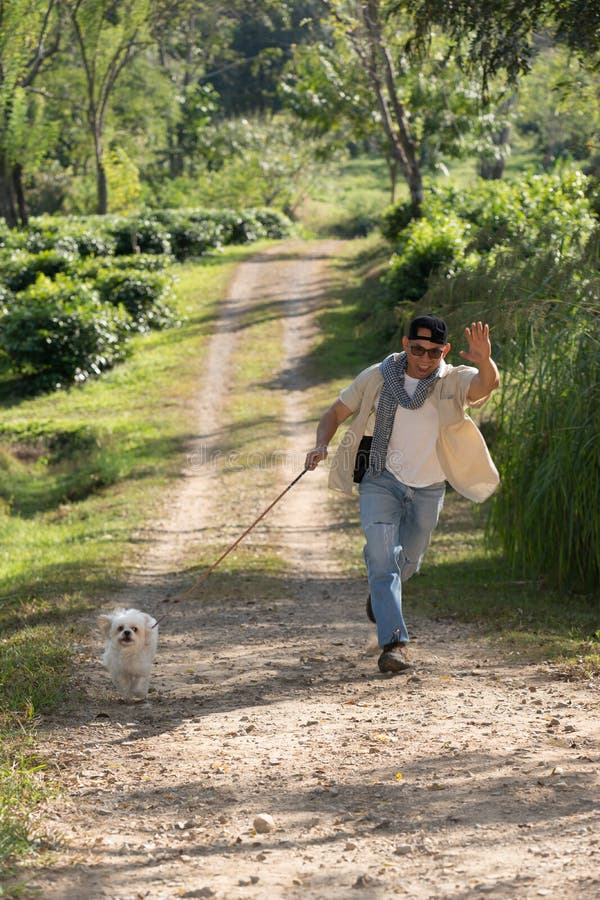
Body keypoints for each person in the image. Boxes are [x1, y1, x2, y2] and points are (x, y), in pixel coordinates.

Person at [304, 314, 500, 674]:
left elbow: (487, 385)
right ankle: (394, 644)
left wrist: (484, 359)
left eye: (434, 352)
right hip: (381, 478)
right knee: (381, 555)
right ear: (405, 344)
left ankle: (382, 599)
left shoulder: (452, 379)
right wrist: (321, 444)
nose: (425, 359)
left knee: (406, 561)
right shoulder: (378, 376)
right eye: (417, 349)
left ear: (446, 351)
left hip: (429, 487)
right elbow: (336, 411)